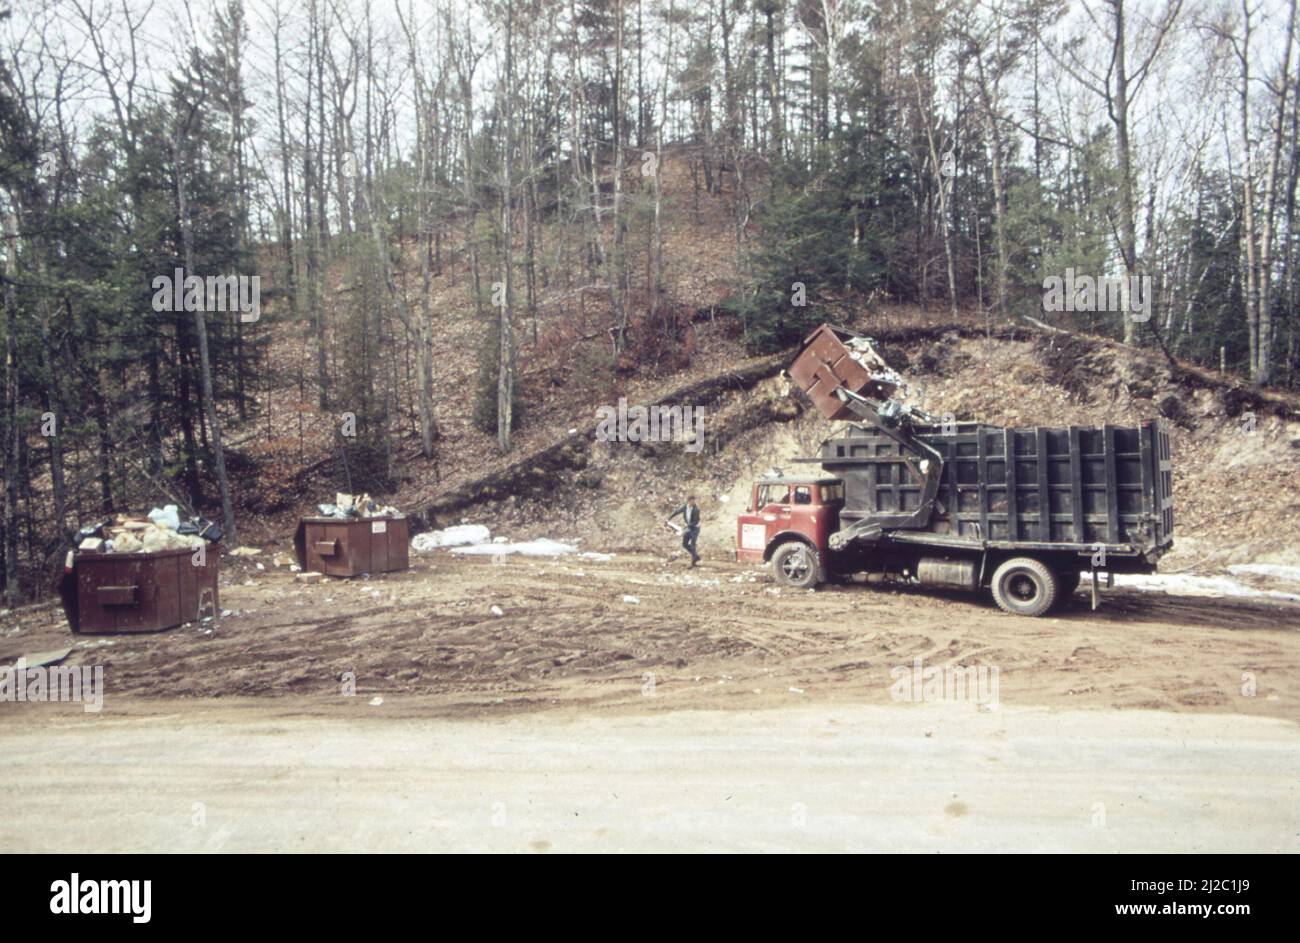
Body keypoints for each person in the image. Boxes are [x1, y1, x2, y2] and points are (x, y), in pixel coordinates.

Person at [666, 496, 701, 566]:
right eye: (692, 501)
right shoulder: (685, 507)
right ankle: (695, 556)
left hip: (695, 528)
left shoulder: (696, 509)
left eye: (694, 501)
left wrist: (687, 526)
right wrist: (668, 518)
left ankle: (693, 561)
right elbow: (676, 512)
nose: (693, 503)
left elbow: (696, 521)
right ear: (688, 501)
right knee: (684, 544)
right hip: (688, 527)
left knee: (692, 544)